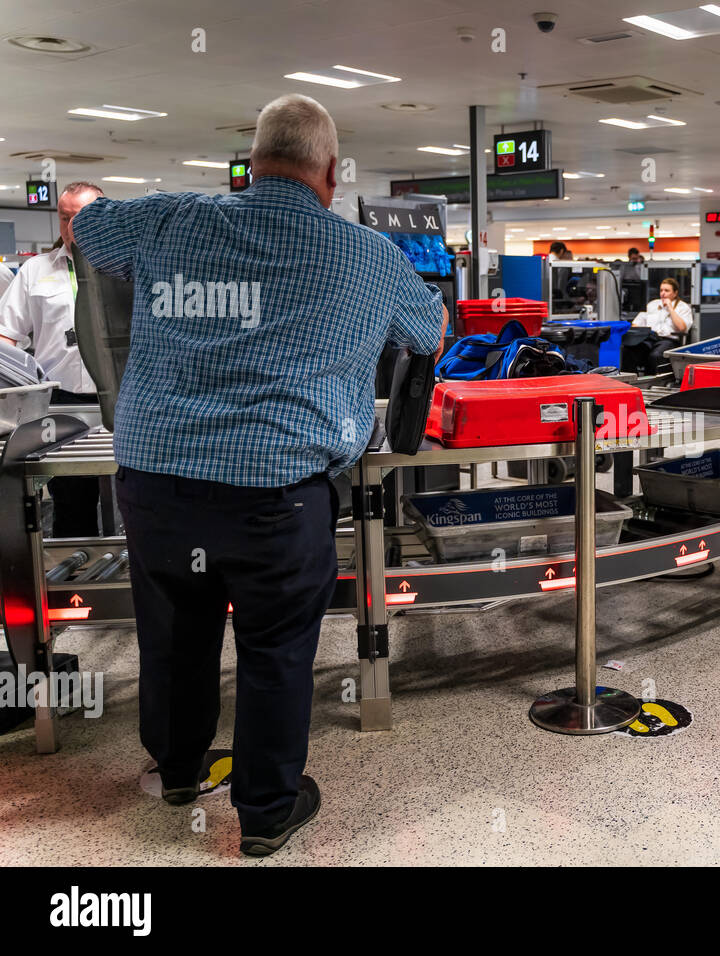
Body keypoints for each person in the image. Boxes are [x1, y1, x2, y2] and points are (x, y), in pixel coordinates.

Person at [72, 93, 446, 856]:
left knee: (174, 634)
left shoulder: (175, 217)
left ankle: (178, 771)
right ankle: (267, 814)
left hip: (158, 486)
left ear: (248, 161)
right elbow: (429, 330)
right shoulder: (371, 257)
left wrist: (94, 207)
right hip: (279, 499)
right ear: (331, 173)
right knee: (276, 649)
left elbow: (86, 224)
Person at [0, 182, 107, 536]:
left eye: (82, 217)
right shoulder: (35, 271)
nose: (72, 227)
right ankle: (76, 581)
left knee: (134, 495)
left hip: (123, 399)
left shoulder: (129, 269)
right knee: (71, 500)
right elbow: (5, 335)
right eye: (65, 218)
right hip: (62, 404)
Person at [621, 276, 693, 374]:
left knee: (655, 355)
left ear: (675, 293)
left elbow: (682, 328)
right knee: (628, 350)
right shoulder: (652, 305)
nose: (663, 293)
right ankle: (631, 381)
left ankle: (654, 382)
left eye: (667, 290)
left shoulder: (682, 307)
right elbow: (636, 323)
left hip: (669, 340)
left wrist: (670, 308)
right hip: (650, 338)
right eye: (661, 290)